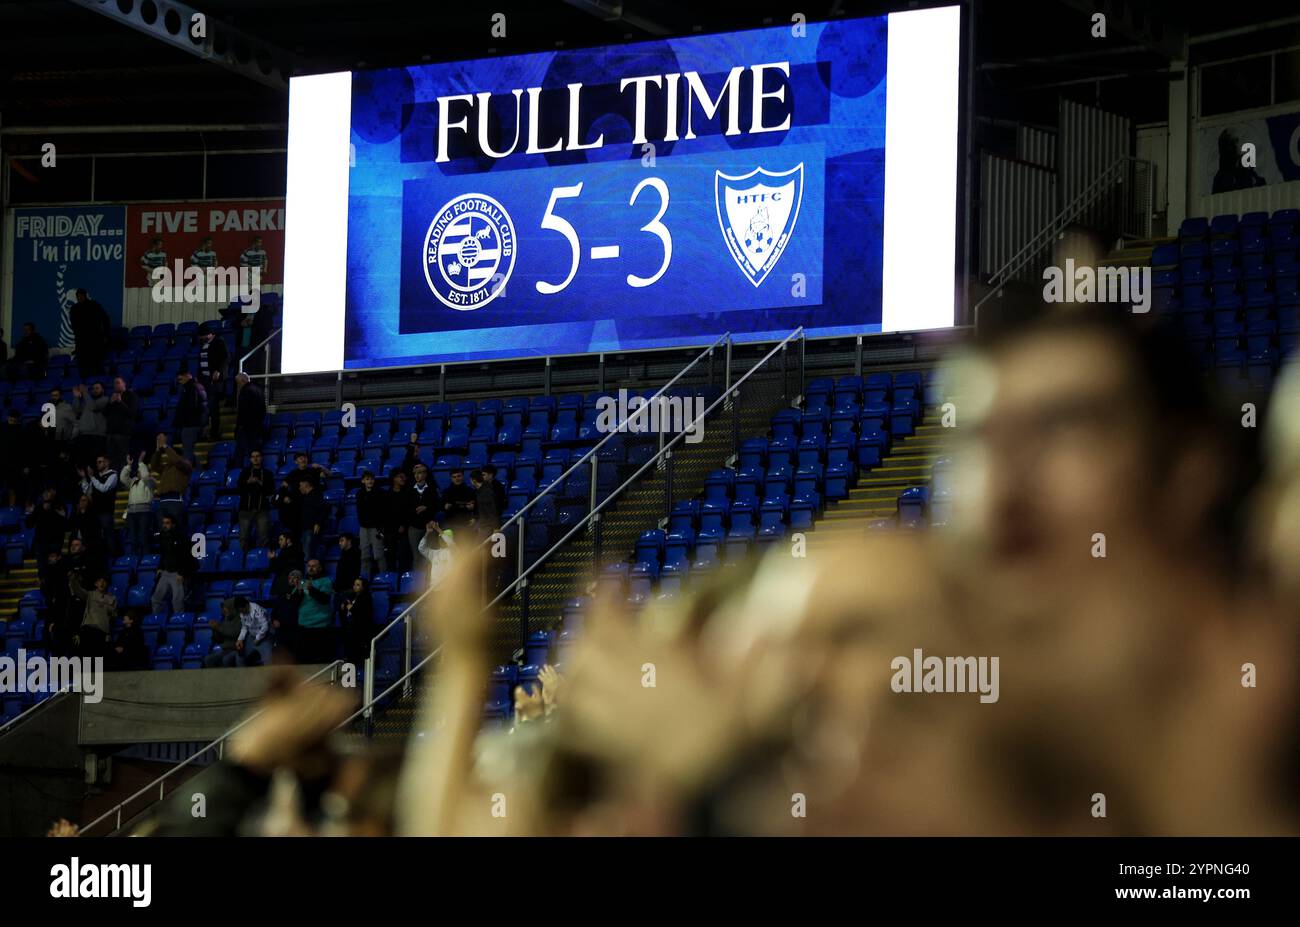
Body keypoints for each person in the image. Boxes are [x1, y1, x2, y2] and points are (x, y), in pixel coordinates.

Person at [152, 513, 196, 616]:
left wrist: (182, 573)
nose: (164, 525)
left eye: (167, 523)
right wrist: (160, 567)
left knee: (177, 601)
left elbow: (186, 557)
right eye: (163, 523)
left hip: (177, 573)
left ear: (173, 525)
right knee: (155, 599)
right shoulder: (162, 536)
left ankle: (179, 622)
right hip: (166, 572)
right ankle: (157, 620)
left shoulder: (181, 537)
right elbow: (163, 554)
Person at [293, 559, 334, 664]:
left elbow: (324, 599)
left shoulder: (326, 581)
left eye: (314, 566)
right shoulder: (302, 581)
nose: (310, 568)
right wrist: (298, 592)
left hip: (320, 626)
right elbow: (295, 601)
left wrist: (311, 589)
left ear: (320, 568)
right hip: (304, 625)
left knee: (320, 661)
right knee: (302, 660)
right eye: (309, 566)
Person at [79, 453, 120, 558]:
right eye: (97, 462)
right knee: (96, 540)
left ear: (107, 462)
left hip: (106, 513)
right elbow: (89, 493)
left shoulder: (113, 475)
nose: (97, 464)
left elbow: (104, 488)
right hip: (95, 513)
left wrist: (92, 477)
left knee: (109, 538)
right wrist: (84, 478)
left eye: (100, 462)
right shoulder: (96, 478)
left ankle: (113, 560)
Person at [150, 432, 193, 527]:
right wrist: (158, 450)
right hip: (162, 500)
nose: (169, 457)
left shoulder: (185, 465)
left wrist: (165, 446)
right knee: (163, 530)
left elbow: (176, 460)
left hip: (175, 500)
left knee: (176, 528)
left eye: (170, 454)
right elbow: (154, 466)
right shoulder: (166, 468)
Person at [405, 451, 440, 566]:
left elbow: (437, 505)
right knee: (416, 557)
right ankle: (417, 581)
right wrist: (414, 510)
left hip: (428, 526)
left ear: (425, 474)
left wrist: (427, 508)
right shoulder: (409, 489)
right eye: (415, 473)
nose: (417, 475)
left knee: (429, 555)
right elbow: (405, 507)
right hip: (414, 527)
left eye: (420, 473)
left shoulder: (432, 488)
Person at [68, 571, 114, 657]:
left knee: (97, 661)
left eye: (104, 581)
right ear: (96, 584)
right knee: (86, 658)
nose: (102, 583)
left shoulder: (112, 598)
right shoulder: (90, 595)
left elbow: (112, 616)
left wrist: (108, 634)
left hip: (101, 631)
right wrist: (73, 579)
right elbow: (77, 590)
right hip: (88, 629)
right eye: (100, 581)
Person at [236, 449, 274, 550]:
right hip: (245, 509)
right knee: (244, 538)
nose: (255, 458)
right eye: (253, 456)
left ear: (261, 458)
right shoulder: (245, 472)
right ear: (250, 459)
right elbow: (239, 488)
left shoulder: (267, 473)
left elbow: (271, 491)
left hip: (262, 509)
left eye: (257, 456)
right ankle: (243, 562)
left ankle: (262, 561)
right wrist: (248, 482)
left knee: (264, 537)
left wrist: (260, 483)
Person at [69, 289, 110, 379]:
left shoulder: (94, 306)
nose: (79, 298)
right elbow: (74, 325)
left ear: (85, 295)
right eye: (78, 296)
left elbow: (105, 319)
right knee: (82, 365)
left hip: (95, 340)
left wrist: (105, 335)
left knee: (96, 363)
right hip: (81, 341)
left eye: (81, 295)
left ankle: (97, 381)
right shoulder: (74, 309)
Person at [120, 454, 155, 556]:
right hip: (131, 513)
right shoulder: (133, 481)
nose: (140, 471)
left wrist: (140, 462)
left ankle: (146, 560)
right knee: (133, 539)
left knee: (144, 537)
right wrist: (128, 466)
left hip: (144, 512)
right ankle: (134, 561)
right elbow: (122, 478)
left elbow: (145, 476)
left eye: (142, 469)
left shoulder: (150, 481)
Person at [198, 327, 229, 440]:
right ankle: (208, 431)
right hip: (205, 380)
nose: (201, 338)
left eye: (203, 336)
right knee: (207, 407)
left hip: (214, 381)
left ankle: (214, 432)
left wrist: (219, 371)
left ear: (210, 334)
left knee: (213, 406)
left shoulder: (219, 342)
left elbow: (226, 358)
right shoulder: (203, 345)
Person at [338, 576, 375, 669]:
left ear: (364, 587)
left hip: (360, 630)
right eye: (354, 584)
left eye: (358, 585)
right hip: (350, 627)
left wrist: (350, 606)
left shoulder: (366, 598)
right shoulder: (352, 596)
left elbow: (359, 612)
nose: (355, 587)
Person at [71, 381, 109, 468]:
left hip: (97, 437)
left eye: (97, 388)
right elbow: (75, 411)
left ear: (103, 390)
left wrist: (84, 392)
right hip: (84, 436)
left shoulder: (105, 399)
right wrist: (77, 398)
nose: (94, 390)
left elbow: (93, 407)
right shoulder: (87, 402)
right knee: (84, 462)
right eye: (93, 388)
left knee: (95, 463)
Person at [356, 469, 387, 575]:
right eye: (367, 479)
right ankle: (365, 579)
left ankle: (383, 577)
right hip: (364, 528)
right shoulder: (359, 494)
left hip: (376, 528)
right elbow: (359, 511)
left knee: (379, 555)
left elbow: (383, 511)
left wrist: (380, 528)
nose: (370, 481)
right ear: (363, 481)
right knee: (364, 556)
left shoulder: (381, 493)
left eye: (371, 479)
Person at [25, 488, 67, 566]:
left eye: (49, 492)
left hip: (54, 543)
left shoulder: (59, 506)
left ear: (53, 492)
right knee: (42, 568)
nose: (47, 494)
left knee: (54, 567)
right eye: (45, 492)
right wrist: (30, 513)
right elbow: (28, 525)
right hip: (41, 543)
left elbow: (65, 526)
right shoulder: (38, 508)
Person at [104, 376, 139, 469]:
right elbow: (105, 413)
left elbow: (132, 414)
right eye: (114, 383)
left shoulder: (131, 396)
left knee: (123, 460)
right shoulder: (112, 397)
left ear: (124, 384)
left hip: (123, 434)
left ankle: (123, 481)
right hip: (111, 434)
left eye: (118, 382)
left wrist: (120, 402)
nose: (115, 385)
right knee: (112, 461)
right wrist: (111, 402)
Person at [382, 469, 413, 574]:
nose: (403, 479)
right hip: (390, 530)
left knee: (404, 555)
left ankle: (403, 579)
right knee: (390, 556)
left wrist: (403, 525)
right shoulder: (387, 495)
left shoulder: (407, 494)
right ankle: (392, 578)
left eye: (404, 476)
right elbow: (386, 514)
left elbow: (408, 512)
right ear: (394, 478)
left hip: (404, 530)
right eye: (400, 476)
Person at [173, 369, 206, 463]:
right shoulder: (197, 386)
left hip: (191, 424)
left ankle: (189, 475)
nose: (180, 382)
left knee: (187, 452)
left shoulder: (190, 388)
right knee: (189, 451)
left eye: (181, 379)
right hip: (196, 422)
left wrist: (182, 420)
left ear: (187, 375)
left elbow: (191, 407)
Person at [233, 372, 266, 464]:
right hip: (258, 426)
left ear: (242, 381)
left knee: (242, 452)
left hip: (247, 428)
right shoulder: (258, 390)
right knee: (255, 451)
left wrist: (239, 426)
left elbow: (243, 411)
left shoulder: (245, 391)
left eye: (238, 382)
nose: (237, 385)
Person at [205, 597, 246, 668]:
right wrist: (214, 630)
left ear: (232, 608)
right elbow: (219, 640)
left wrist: (218, 627)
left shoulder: (240, 619)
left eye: (226, 608)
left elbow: (234, 633)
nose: (224, 610)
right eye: (223, 608)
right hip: (225, 650)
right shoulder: (225, 620)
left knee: (226, 659)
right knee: (208, 659)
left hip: (236, 650)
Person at [232, 596, 272, 667]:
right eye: (240, 611)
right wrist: (240, 639)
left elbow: (265, 625)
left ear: (247, 605)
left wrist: (258, 638)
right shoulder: (241, 612)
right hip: (252, 636)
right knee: (239, 658)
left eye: (242, 610)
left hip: (264, 636)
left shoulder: (256, 609)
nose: (241, 613)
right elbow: (244, 627)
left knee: (268, 660)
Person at [416, 522, 457, 588]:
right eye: (440, 538)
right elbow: (421, 548)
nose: (441, 540)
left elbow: (451, 543)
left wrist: (438, 529)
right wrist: (427, 533)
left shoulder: (453, 551)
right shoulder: (434, 553)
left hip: (448, 589)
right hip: (434, 589)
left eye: (443, 538)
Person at [296, 478, 328, 561]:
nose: (299, 488)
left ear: (306, 484)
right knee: (305, 556)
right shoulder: (306, 497)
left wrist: (318, 523)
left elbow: (323, 510)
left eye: (300, 485)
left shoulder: (316, 495)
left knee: (308, 557)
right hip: (305, 530)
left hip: (311, 530)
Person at [441, 467, 476, 532]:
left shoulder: (471, 491)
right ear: (451, 478)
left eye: (459, 476)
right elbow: (441, 506)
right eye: (454, 477)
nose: (457, 478)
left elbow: (476, 507)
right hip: (450, 523)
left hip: (466, 523)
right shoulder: (446, 492)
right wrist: (444, 506)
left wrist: (474, 516)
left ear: (463, 476)